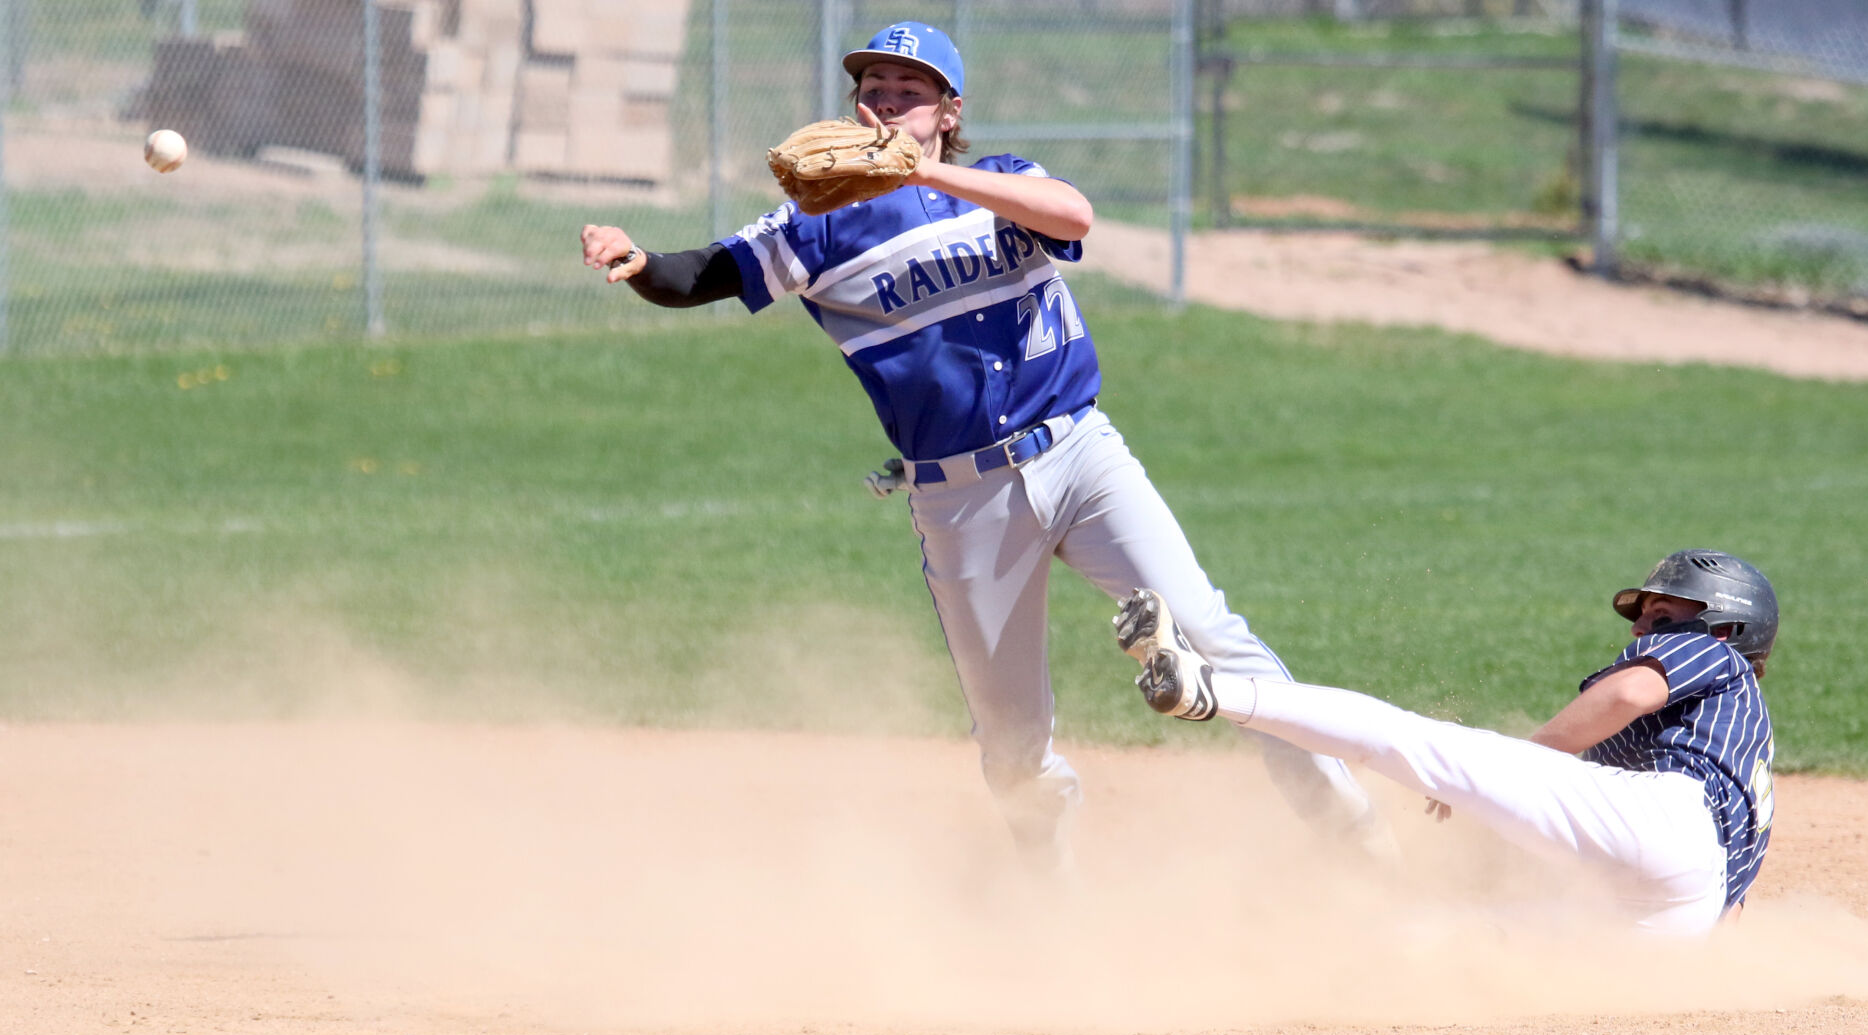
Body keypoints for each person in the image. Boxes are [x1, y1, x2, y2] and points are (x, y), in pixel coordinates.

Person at [576, 21, 1389, 872]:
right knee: (1011, 742)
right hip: (963, 502)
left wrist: (927, 172)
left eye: (908, 90)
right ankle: (1055, 902)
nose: (885, 102)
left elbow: (1075, 215)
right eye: (873, 88)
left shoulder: (1001, 182)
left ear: (948, 110)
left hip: (1080, 456)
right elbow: (699, 273)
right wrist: (635, 260)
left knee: (1217, 637)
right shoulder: (814, 227)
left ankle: (1357, 839)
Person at [1114, 549, 1779, 934]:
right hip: (1679, 923)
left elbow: (1627, 695)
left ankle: (1212, 689)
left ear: (1727, 631)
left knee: (1411, 742)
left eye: (1663, 618)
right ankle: (1284, 941)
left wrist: (1518, 757)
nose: (1644, 633)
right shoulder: (1742, 752)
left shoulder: (1714, 660)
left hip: (1670, 826)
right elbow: (1724, 905)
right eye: (1646, 621)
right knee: (1448, 939)